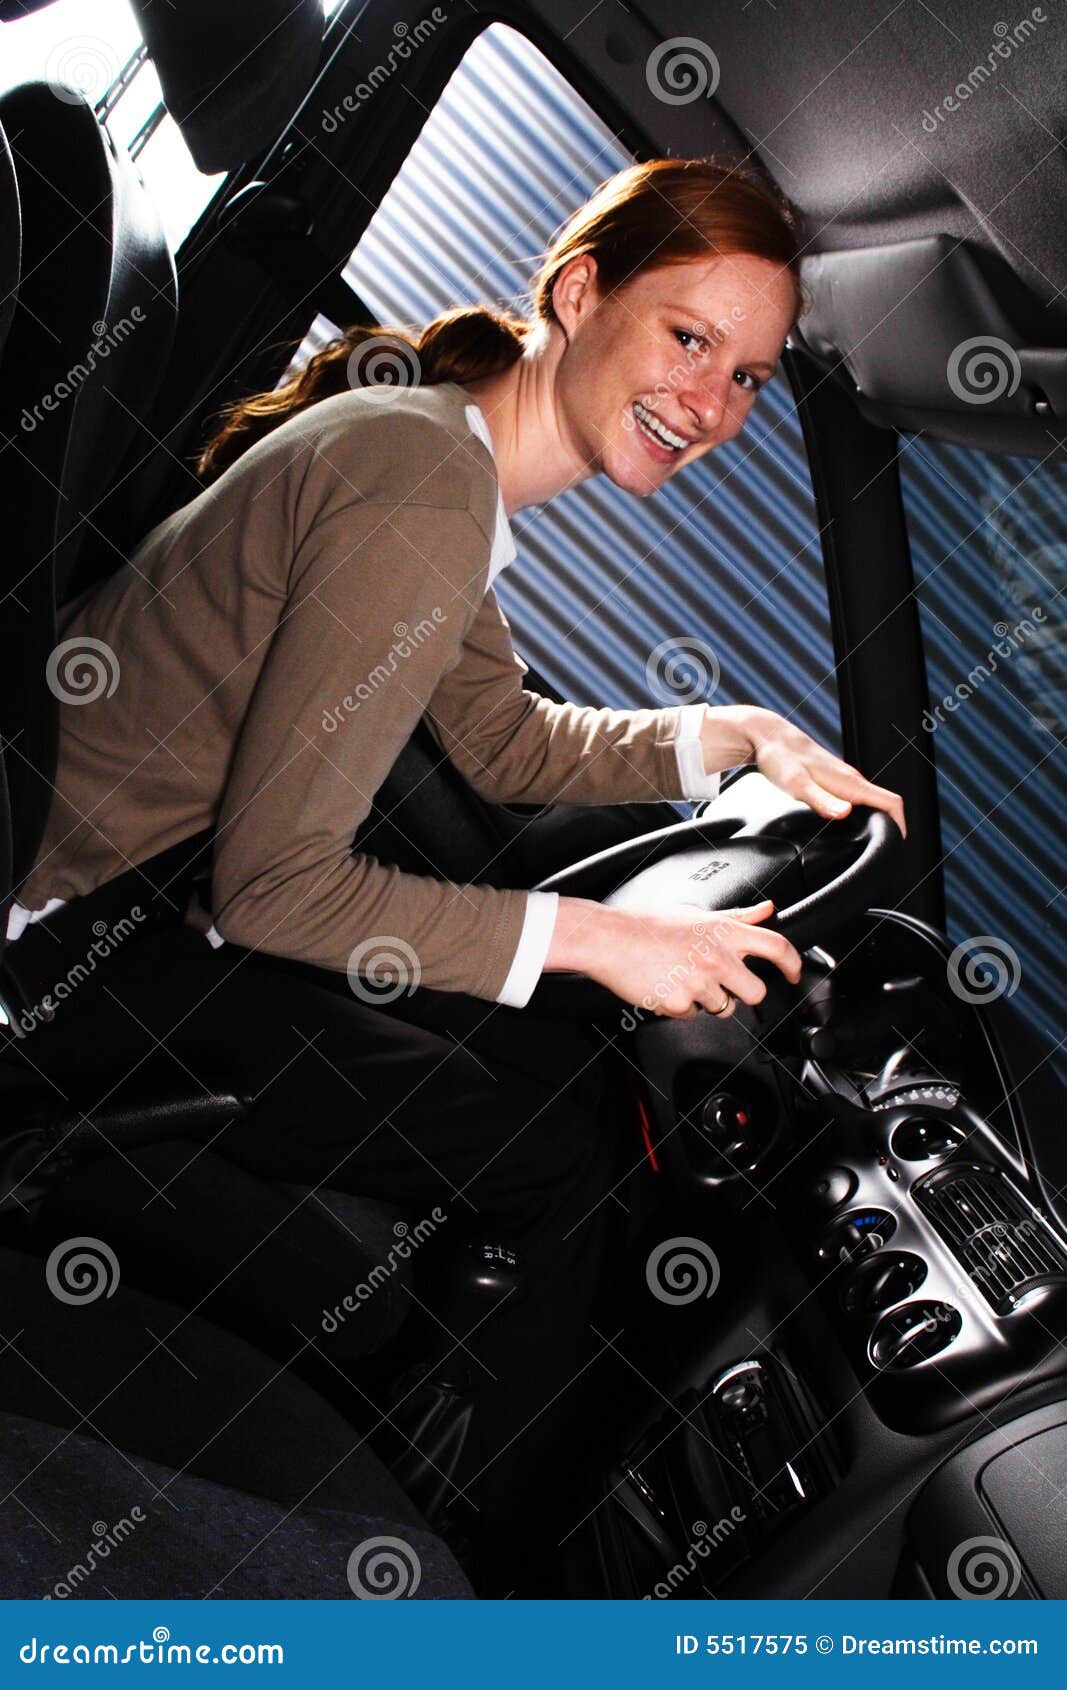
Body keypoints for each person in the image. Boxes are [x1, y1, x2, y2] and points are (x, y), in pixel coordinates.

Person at [5, 158, 905, 1592]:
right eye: (689, 339)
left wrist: (728, 736)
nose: (716, 405)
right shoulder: (422, 484)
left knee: (537, 1081)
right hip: (58, 949)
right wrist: (605, 942)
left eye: (748, 376)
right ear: (578, 293)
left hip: (117, 907)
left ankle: (422, 1464)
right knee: (550, 1148)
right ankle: (488, 1570)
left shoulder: (440, 458)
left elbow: (497, 735)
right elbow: (277, 892)